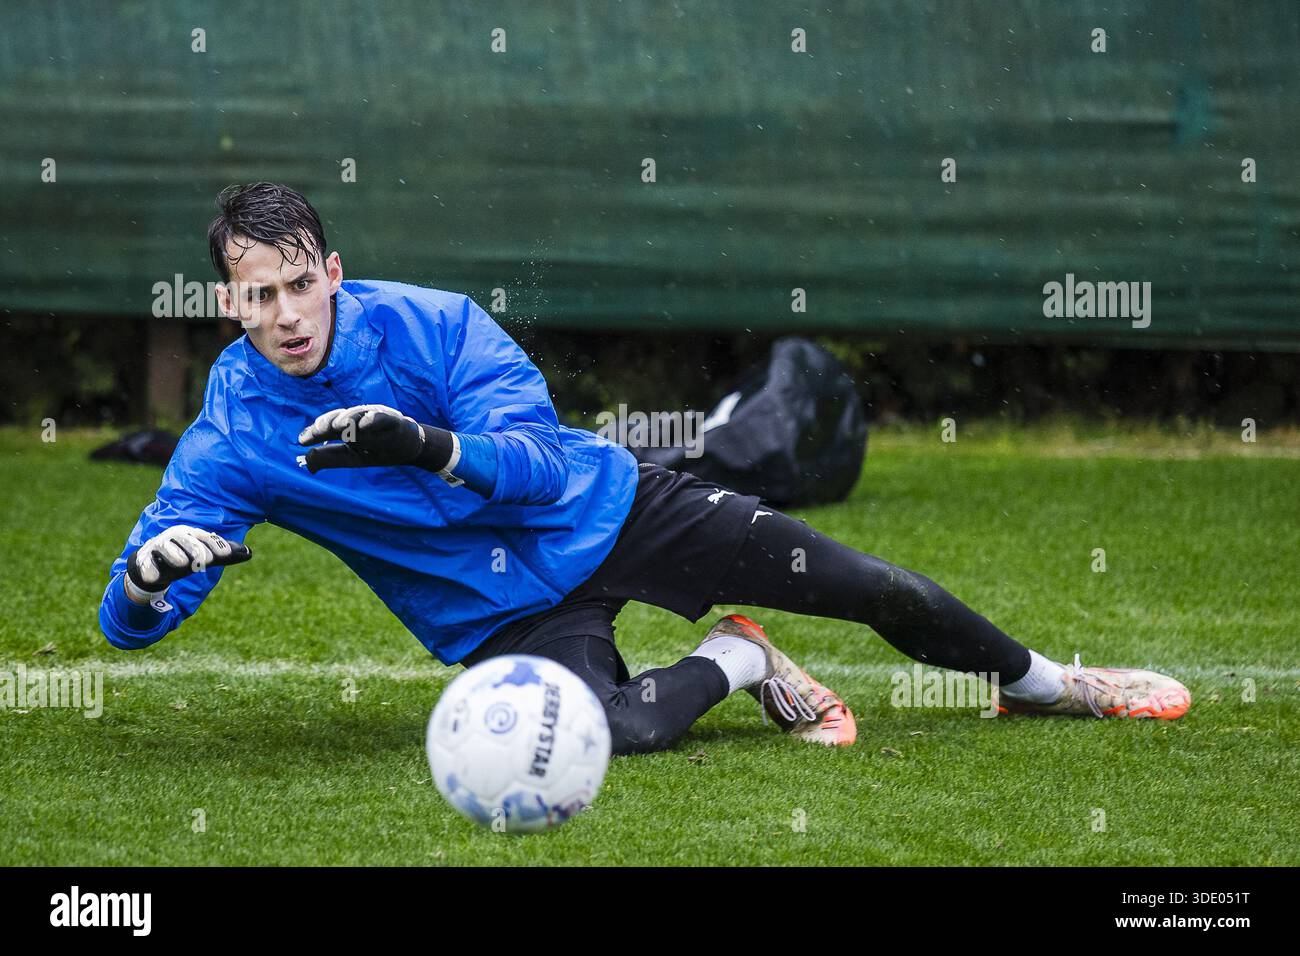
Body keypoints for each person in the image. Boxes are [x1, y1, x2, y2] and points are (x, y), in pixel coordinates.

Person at [99, 183, 1191, 758]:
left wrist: (425, 445)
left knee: (870, 585)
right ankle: (740, 656)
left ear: (333, 271)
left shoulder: (439, 324)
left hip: (609, 509)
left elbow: (536, 464)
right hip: (502, 617)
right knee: (610, 736)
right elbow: (129, 618)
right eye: (259, 295)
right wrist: (148, 583)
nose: (287, 315)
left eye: (300, 284)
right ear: (228, 302)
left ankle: (1050, 686)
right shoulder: (231, 434)